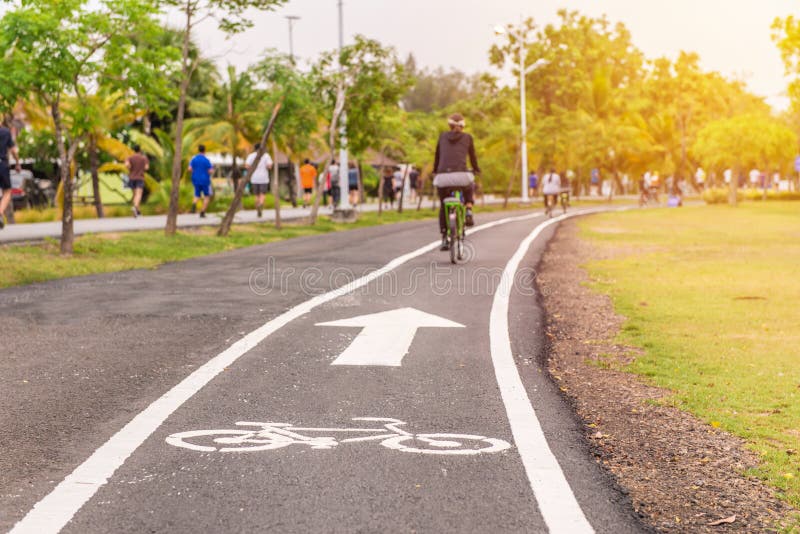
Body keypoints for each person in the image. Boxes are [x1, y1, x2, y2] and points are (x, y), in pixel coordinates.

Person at [433, 113, 480, 250]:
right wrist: (476, 170)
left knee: (443, 205)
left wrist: (436, 171)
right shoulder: (468, 137)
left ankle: (444, 238)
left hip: (443, 177)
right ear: (463, 126)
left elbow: (437, 156)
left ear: (449, 125)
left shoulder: (442, 136)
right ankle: (469, 208)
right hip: (461, 175)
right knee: (469, 184)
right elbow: (472, 157)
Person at [0, 121, 21, 229]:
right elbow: (13, 150)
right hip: (2, 164)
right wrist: (17, 163)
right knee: (7, 191)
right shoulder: (5, 132)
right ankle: (0, 212)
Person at [245, 143, 273, 218]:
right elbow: (270, 166)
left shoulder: (251, 156)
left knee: (256, 195)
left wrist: (252, 169)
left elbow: (247, 166)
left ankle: (258, 206)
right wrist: (265, 166)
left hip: (254, 178)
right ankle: (261, 204)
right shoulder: (266, 156)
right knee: (262, 194)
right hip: (264, 178)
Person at [188, 144, 214, 218]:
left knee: (197, 195)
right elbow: (210, 171)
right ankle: (202, 212)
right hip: (205, 180)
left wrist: (195, 172)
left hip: (196, 179)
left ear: (198, 150)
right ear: (204, 151)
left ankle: (193, 206)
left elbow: (189, 169)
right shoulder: (206, 160)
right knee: (207, 196)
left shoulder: (194, 159)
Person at [125, 145, 149, 218]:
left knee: (135, 195)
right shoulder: (143, 158)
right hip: (140, 178)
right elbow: (146, 167)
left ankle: (137, 212)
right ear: (140, 150)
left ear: (134, 150)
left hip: (131, 178)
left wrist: (131, 168)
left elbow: (127, 165)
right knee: (138, 194)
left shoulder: (130, 157)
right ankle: (135, 207)